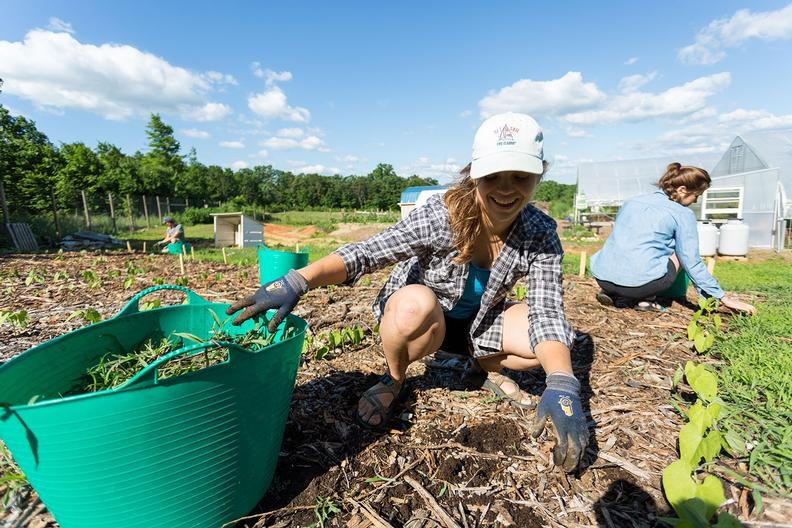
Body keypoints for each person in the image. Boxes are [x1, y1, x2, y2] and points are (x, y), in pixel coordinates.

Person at [227, 112, 589, 472]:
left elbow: (547, 311)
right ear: (474, 174)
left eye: (520, 176)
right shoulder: (443, 215)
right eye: (493, 176)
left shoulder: (539, 232)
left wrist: (561, 382)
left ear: (539, 173)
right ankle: (395, 378)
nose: (506, 188)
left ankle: (479, 365)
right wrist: (299, 279)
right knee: (415, 305)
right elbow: (368, 251)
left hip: (479, 324)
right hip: (425, 318)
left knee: (547, 342)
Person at [589, 163, 756, 314]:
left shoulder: (632, 202)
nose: (695, 201)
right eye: (696, 195)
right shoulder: (682, 213)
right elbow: (691, 260)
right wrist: (722, 297)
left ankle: (611, 292)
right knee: (679, 252)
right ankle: (647, 299)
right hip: (641, 286)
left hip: (602, 278)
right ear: (682, 190)